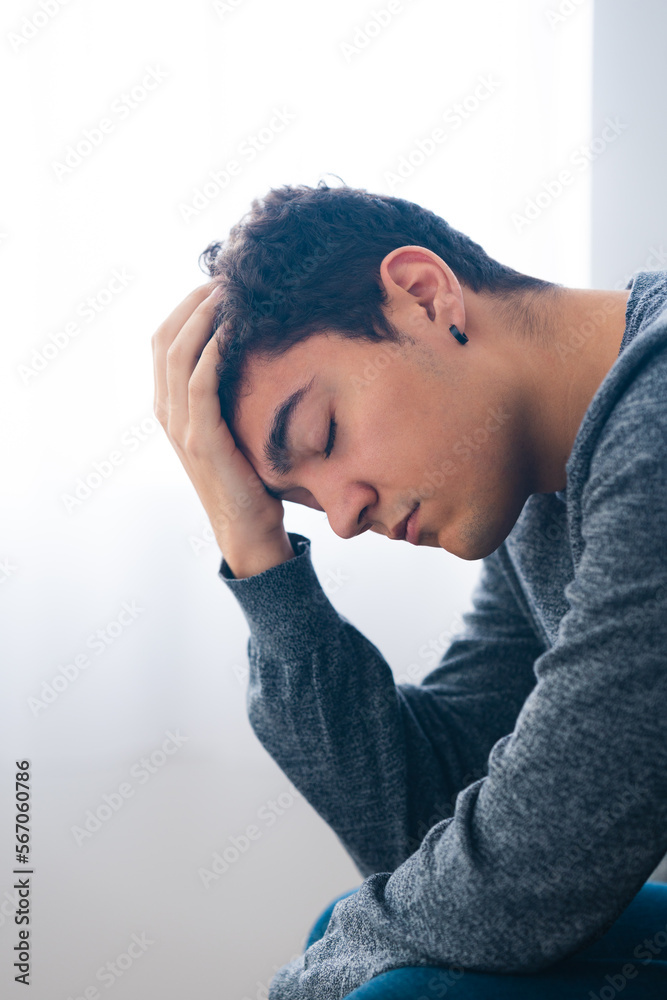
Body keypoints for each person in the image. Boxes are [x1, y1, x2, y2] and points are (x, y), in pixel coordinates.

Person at [151, 181, 667, 999]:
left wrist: (312, 981)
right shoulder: (540, 485)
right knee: (359, 940)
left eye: (322, 436)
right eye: (307, 502)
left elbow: (525, 880)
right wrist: (256, 553)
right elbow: (423, 819)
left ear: (423, 296)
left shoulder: (655, 427)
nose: (345, 517)